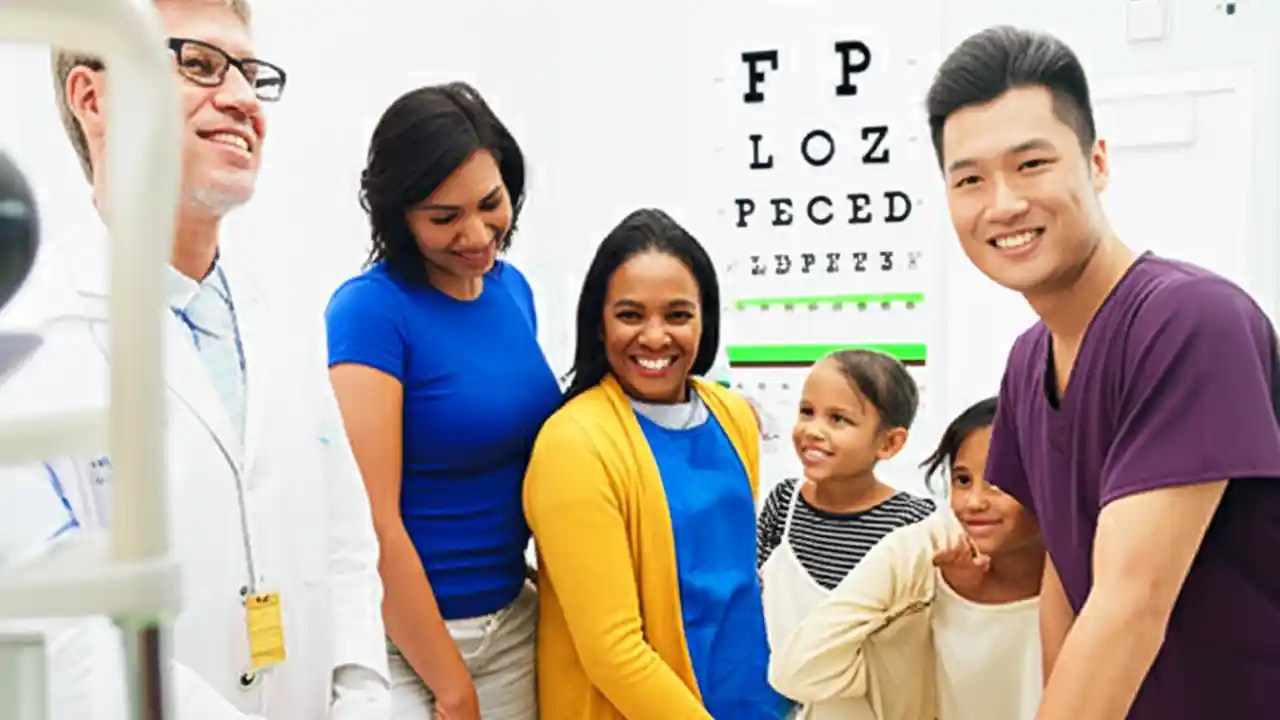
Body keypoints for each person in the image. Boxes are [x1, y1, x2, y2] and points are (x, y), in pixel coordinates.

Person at [0, 0, 391, 716]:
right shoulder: (28, 346)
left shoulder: (277, 319)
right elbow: (64, 638)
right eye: (202, 65)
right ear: (95, 98)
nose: (244, 100)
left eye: (250, 73)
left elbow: (347, 552)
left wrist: (363, 698)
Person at [926, 25, 1280, 719]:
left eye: (1031, 164)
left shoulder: (1191, 322)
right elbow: (1066, 573)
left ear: (1097, 162)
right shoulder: (1029, 361)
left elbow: (1130, 602)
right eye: (969, 179)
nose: (1001, 203)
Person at [325, 82, 559, 720]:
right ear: (398, 214)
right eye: (443, 217)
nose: (477, 233)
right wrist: (450, 684)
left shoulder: (513, 292)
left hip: (513, 626)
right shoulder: (371, 311)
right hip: (407, 648)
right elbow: (372, 519)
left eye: (490, 203)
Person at [522, 208, 790, 719]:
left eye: (677, 314)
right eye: (629, 315)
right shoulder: (574, 445)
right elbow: (613, 651)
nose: (654, 337)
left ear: (704, 318)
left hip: (749, 698)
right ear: (598, 324)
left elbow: (736, 582)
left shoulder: (731, 415)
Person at [770, 397, 1044, 720]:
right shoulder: (924, 551)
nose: (974, 502)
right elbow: (797, 669)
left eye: (999, 483)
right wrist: (884, 668)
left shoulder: (1089, 565)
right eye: (963, 480)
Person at [756, 348, 934, 719]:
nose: (813, 430)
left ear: (890, 444)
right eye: (807, 411)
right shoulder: (783, 504)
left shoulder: (914, 522)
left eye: (838, 419)